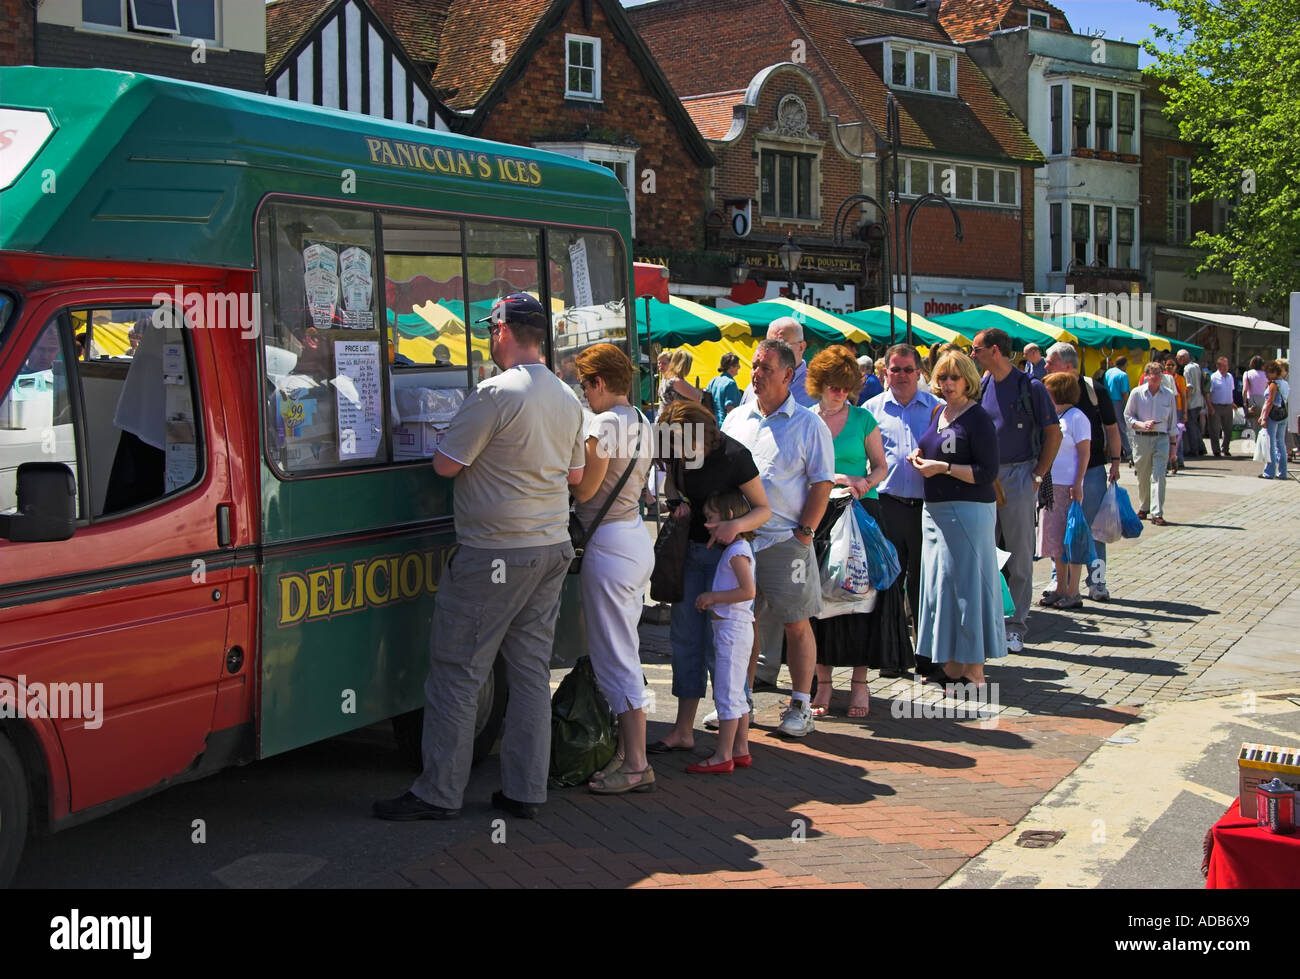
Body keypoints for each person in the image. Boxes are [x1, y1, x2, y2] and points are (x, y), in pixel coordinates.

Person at [373, 293, 585, 822]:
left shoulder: (493, 393)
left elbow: (446, 466)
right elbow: (577, 476)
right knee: (532, 673)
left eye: (491, 330)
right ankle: (525, 790)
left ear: (501, 331)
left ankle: (439, 792)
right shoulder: (566, 395)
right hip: (550, 545)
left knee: (457, 672)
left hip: (495, 550)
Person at [723, 338, 834, 737]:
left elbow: (822, 483)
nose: (756, 374)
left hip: (785, 541)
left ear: (789, 375)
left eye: (766, 368)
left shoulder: (808, 424)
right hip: (741, 541)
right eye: (754, 365)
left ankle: (801, 705)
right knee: (742, 623)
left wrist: (804, 534)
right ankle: (741, 702)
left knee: (796, 624)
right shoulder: (736, 418)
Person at [650, 399, 771, 754]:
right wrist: (676, 504)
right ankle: (683, 730)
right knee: (685, 641)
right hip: (690, 554)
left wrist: (735, 526)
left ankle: (738, 742)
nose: (682, 453)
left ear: (706, 434)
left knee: (727, 648)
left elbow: (763, 509)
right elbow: (672, 490)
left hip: (726, 559)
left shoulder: (734, 455)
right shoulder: (674, 452)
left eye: (687, 445)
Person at [805, 346, 908, 717]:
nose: (837, 391)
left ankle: (860, 683)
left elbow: (882, 466)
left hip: (862, 512)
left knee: (863, 597)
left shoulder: (863, 419)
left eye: (844, 385)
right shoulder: (806, 419)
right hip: (819, 514)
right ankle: (824, 682)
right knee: (819, 601)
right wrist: (833, 479)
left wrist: (864, 481)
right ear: (819, 384)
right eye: (831, 384)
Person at [571, 344, 656, 796]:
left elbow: (584, 491)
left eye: (584, 384)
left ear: (599, 383)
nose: (583, 393)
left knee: (615, 653)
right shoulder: (641, 420)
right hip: (634, 535)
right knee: (624, 646)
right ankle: (629, 754)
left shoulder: (603, 424)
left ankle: (637, 763)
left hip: (608, 545)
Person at [906, 349, 1003, 685]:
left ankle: (974, 670)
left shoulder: (978, 418)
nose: (947, 383)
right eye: (942, 377)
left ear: (968, 380)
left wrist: (943, 468)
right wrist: (919, 457)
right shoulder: (939, 411)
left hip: (968, 511)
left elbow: (987, 471)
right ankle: (951, 664)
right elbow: (935, 446)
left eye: (954, 378)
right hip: (934, 512)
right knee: (940, 588)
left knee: (967, 588)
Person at [971, 328, 1062, 653]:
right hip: (986, 476)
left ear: (995, 350)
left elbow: (1054, 433)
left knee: (1020, 554)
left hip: (1019, 475)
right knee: (985, 552)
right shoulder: (981, 386)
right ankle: (990, 622)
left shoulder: (1030, 387)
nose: (972, 355)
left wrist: (1037, 475)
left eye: (976, 349)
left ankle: (1015, 626)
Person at [867, 342, 943, 676]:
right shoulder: (871, 409)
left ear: (919, 372)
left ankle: (926, 655)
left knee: (925, 583)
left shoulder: (936, 409)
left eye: (907, 370)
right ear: (884, 372)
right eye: (894, 369)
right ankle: (892, 654)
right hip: (888, 505)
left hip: (929, 508)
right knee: (890, 583)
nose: (900, 376)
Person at [1043, 342, 1122, 601]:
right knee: (1061, 529)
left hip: (1093, 471)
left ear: (1067, 365)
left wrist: (1116, 462)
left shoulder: (1093, 390)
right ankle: (1059, 580)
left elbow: (1111, 427)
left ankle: (1097, 581)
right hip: (1059, 477)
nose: (1045, 366)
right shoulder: (1050, 392)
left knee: (1091, 528)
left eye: (1050, 362)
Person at [687, 491, 757, 773]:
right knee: (736, 694)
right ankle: (740, 749)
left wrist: (712, 596)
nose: (707, 524)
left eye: (711, 518)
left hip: (732, 630)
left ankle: (723, 755)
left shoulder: (737, 552)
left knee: (727, 694)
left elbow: (747, 590)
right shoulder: (736, 549)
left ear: (729, 519)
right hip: (733, 630)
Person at [1036, 372, 1091, 610]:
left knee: (1071, 540)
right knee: (1054, 540)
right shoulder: (1054, 416)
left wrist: (1078, 482)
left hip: (1067, 486)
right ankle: (1060, 588)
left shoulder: (1077, 418)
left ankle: (1073, 591)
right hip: (1050, 485)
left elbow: (1084, 452)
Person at [1124, 362, 1178, 526]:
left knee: (1159, 475)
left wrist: (1173, 447)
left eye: (1159, 373)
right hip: (1141, 438)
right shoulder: (1137, 393)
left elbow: (1173, 422)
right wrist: (1141, 424)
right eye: (1153, 373)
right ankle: (1144, 507)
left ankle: (1157, 512)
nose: (1156, 376)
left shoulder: (1168, 395)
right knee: (1143, 475)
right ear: (1146, 375)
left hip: (1161, 438)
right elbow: (1127, 417)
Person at [740, 317, 816, 407]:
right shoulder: (753, 387)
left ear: (801, 347)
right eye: (770, 345)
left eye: (783, 345)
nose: (775, 351)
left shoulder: (818, 389)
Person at [1259, 360, 1290, 480]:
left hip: (1273, 415)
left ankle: (1269, 472)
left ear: (1274, 372)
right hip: (1283, 414)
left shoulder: (1273, 384)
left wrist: (1264, 417)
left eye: (1268, 373)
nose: (1266, 375)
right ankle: (1282, 472)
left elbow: (1269, 402)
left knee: (1270, 444)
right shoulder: (1285, 383)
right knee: (1281, 443)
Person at [1162, 355, 1188, 473]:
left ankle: (1179, 458)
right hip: (1164, 410)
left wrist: (1184, 412)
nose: (1170, 367)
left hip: (1176, 409)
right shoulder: (1161, 378)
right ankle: (1169, 460)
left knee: (1177, 435)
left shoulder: (1180, 379)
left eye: (1172, 364)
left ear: (1176, 366)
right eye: (1168, 364)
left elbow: (1183, 396)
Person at [1105, 356, 1132, 462]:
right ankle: (1128, 451)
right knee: (1122, 427)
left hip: (1107, 401)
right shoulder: (1123, 375)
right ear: (1125, 364)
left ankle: (1109, 450)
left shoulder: (1108, 372)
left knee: (1109, 427)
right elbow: (1124, 393)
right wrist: (1128, 407)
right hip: (1118, 402)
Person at [1208, 357, 1236, 457]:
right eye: (1222, 365)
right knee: (1215, 429)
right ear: (1217, 366)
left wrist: (1232, 403)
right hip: (1216, 405)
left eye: (1226, 365)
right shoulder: (1213, 377)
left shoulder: (1230, 377)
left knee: (1228, 429)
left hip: (1228, 405)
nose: (1225, 367)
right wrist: (1210, 406)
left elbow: (1231, 391)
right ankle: (1216, 450)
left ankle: (1226, 448)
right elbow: (1208, 393)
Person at [706, 352, 743, 428]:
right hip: (724, 425)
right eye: (737, 365)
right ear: (731, 367)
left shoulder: (713, 381)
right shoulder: (730, 383)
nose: (739, 367)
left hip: (712, 424)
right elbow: (730, 409)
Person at [1180, 350, 1206, 457]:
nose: (1178, 361)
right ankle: (1201, 447)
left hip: (1192, 401)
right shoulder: (1196, 366)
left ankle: (1194, 449)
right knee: (1194, 425)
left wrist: (1186, 401)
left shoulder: (1187, 368)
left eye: (1178, 358)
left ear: (1183, 358)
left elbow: (1189, 387)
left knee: (1191, 426)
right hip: (1199, 400)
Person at [1243, 355, 1270, 438]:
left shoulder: (1247, 374)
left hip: (1252, 401)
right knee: (1264, 423)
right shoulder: (1266, 374)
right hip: (1264, 400)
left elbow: (1245, 390)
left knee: (1254, 424)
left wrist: (1244, 402)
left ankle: (1256, 443)